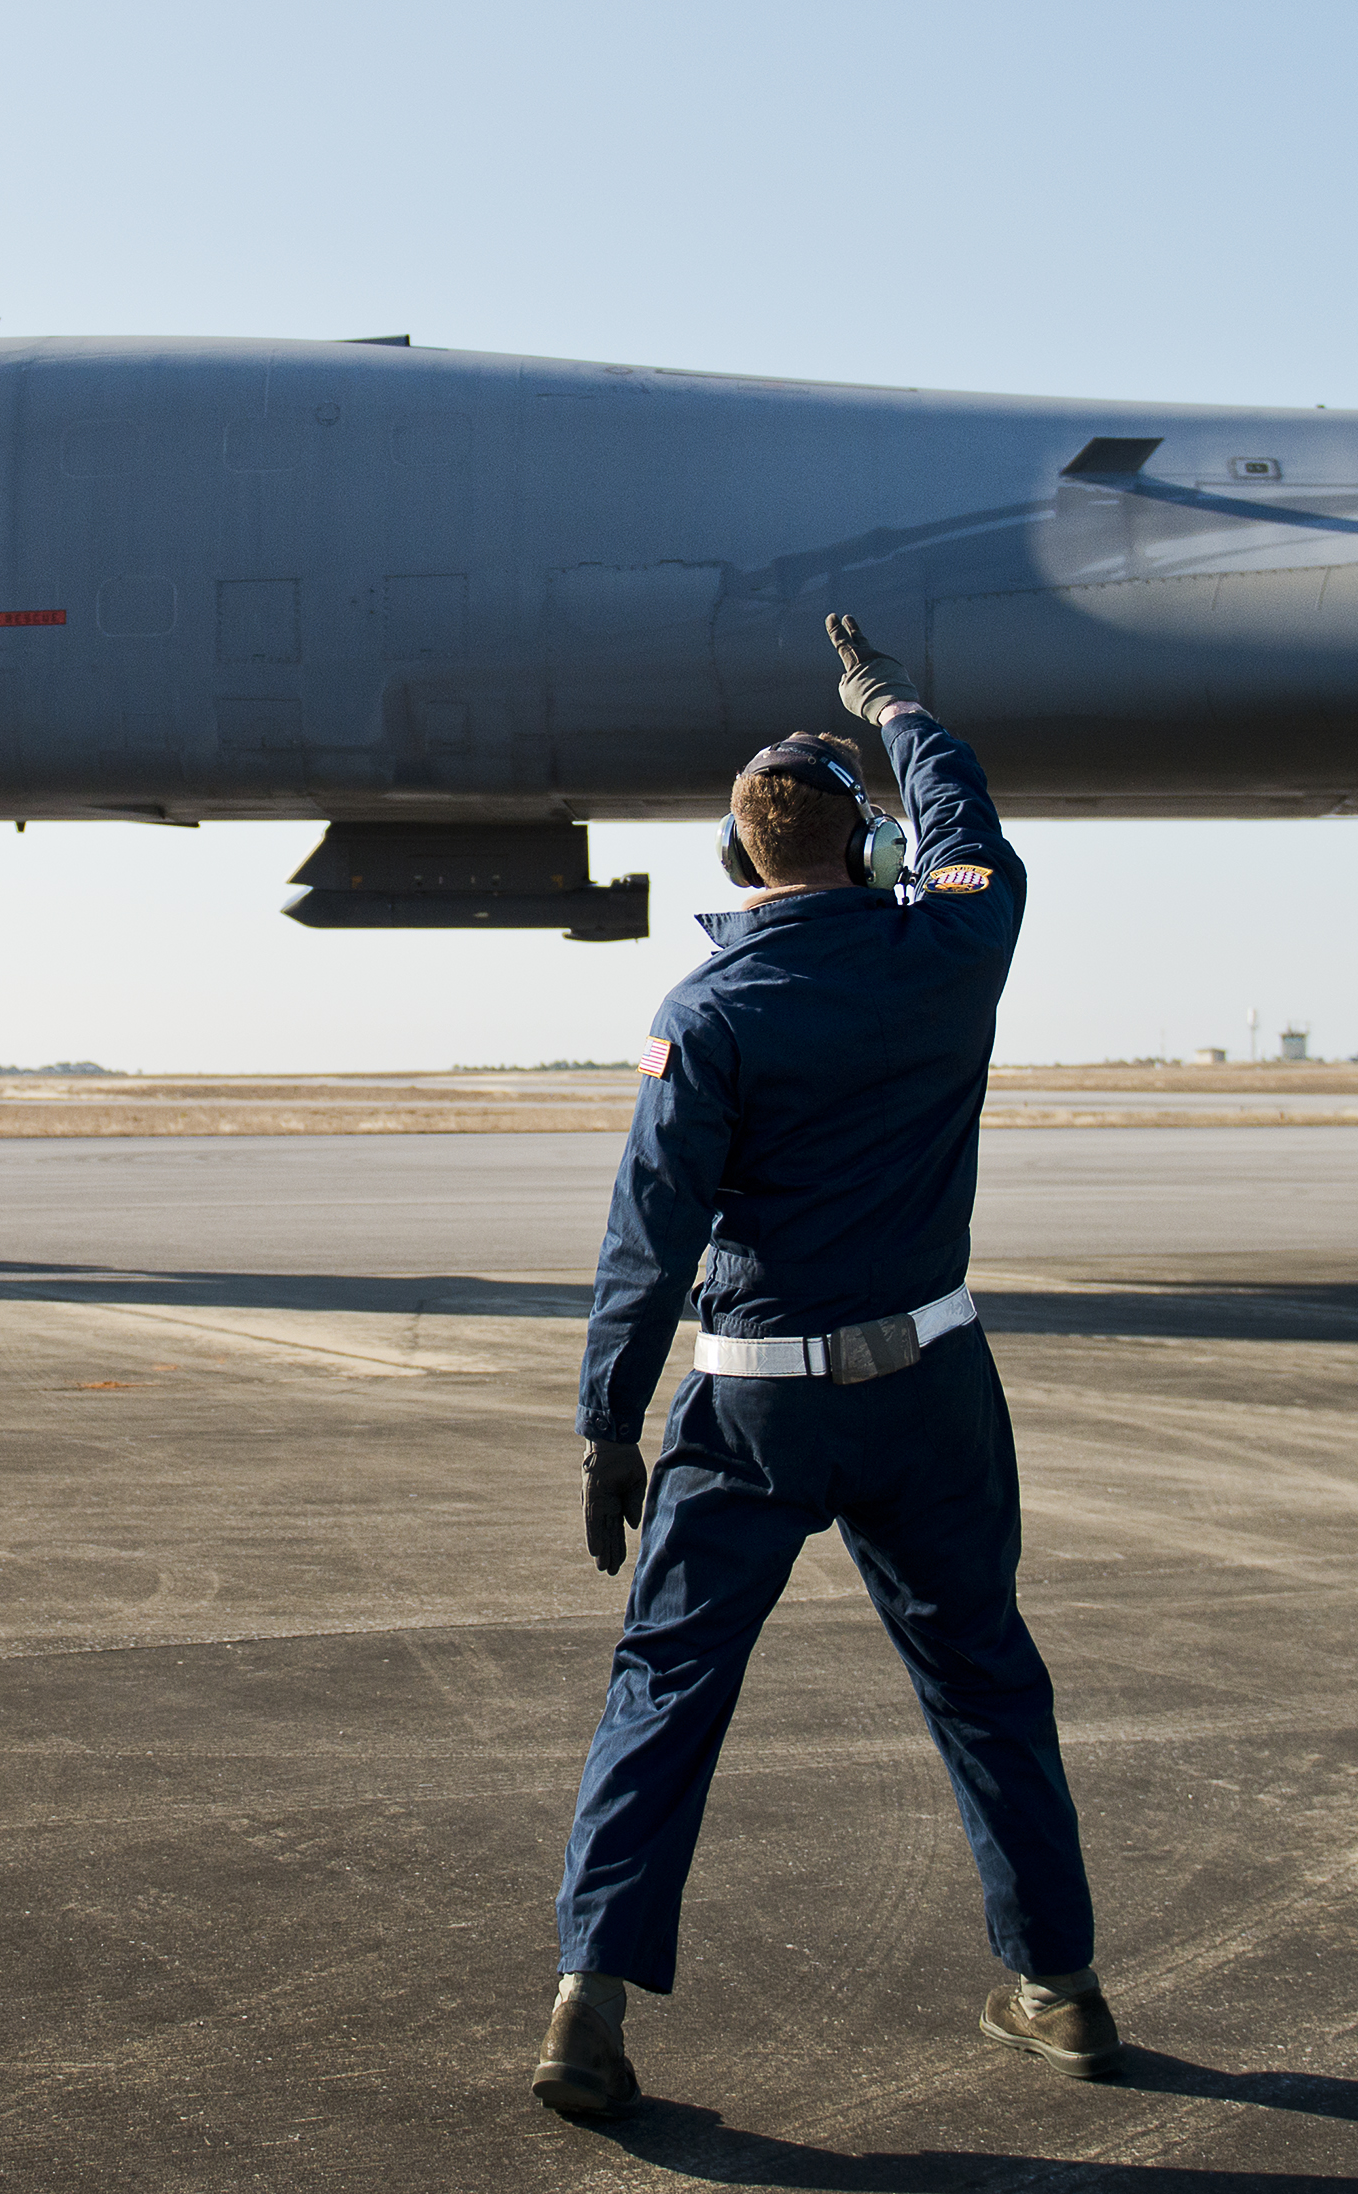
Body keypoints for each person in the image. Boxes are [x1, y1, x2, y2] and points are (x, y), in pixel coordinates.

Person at [528, 615, 1115, 2119]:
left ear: (740, 869)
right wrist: (893, 708)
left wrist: (608, 1425)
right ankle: (1057, 1985)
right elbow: (970, 828)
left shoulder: (705, 1015)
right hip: (927, 1389)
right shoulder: (950, 946)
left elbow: (644, 1239)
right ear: (863, 847)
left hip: (752, 1400)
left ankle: (588, 2002)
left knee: (666, 1686)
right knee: (985, 1679)